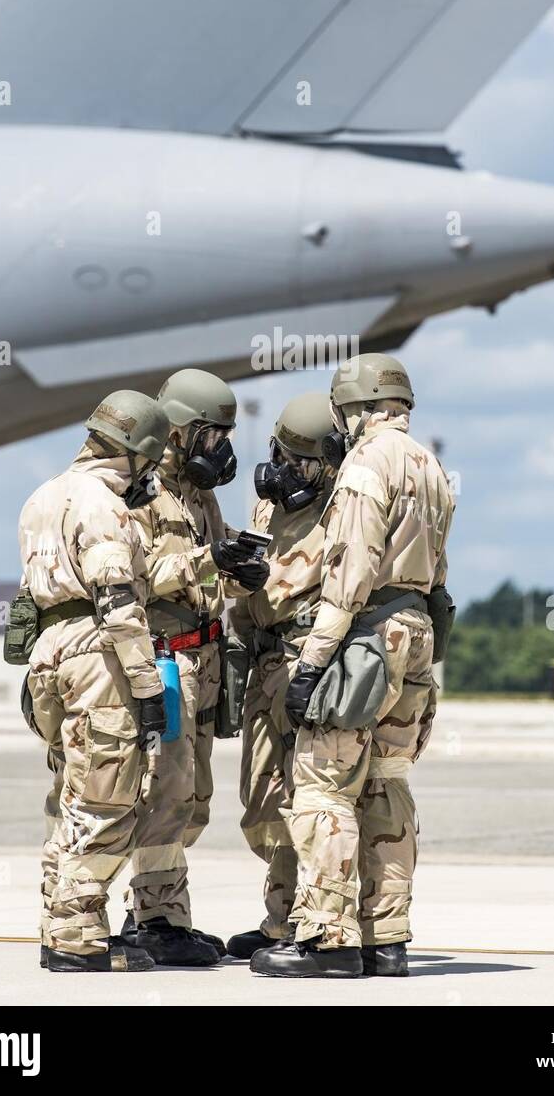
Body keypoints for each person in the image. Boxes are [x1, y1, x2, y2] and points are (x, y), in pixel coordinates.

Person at [251, 354, 454, 979]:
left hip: (365, 637)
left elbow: (348, 579)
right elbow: (438, 577)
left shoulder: (367, 466)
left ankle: (327, 938)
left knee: (322, 782)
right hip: (416, 633)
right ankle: (385, 936)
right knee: (386, 782)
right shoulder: (431, 467)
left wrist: (312, 663)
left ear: (359, 407)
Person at [122, 368, 269, 966]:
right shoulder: (142, 491)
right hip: (167, 657)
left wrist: (239, 568)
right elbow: (139, 575)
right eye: (211, 435)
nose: (222, 449)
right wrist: (209, 559)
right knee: (166, 794)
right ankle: (157, 921)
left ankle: (159, 914)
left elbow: (206, 572)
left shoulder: (200, 496)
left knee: (194, 797)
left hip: (206, 657)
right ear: (178, 432)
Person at [19, 390, 169, 973]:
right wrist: (146, 682)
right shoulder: (102, 503)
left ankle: (59, 924)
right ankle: (79, 940)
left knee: (68, 797)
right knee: (106, 800)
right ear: (137, 454)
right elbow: (117, 600)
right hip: (96, 656)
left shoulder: (40, 496)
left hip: (48, 655)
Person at [225, 392, 337, 960]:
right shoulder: (270, 508)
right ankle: (279, 918)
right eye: (280, 453)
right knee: (264, 796)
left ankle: (316, 920)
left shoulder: (344, 509)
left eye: (300, 460)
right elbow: (251, 587)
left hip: (305, 656)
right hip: (265, 656)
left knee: (308, 795)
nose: (284, 469)